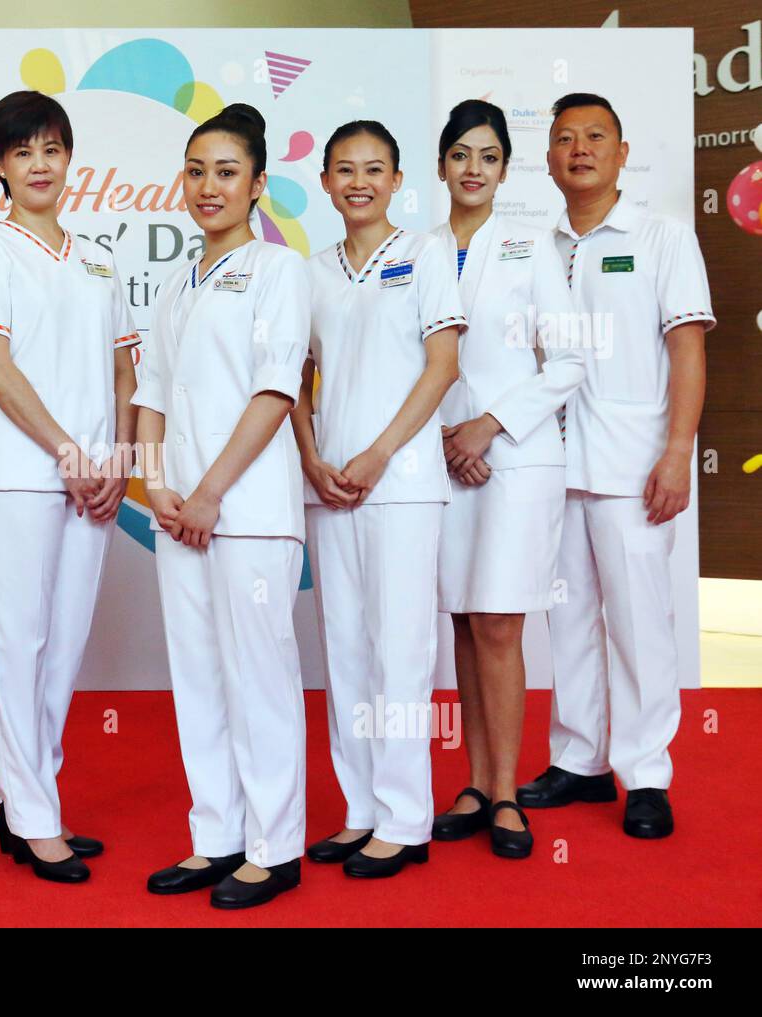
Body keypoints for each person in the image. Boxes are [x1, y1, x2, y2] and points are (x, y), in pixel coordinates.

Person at [0, 91, 139, 883]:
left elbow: (127, 370)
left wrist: (120, 460)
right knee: (19, 644)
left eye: (52, 149)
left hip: (94, 482)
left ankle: (31, 800)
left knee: (62, 650)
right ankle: (31, 817)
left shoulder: (98, 254)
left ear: (70, 159)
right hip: (20, 477)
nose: (39, 164)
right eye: (22, 150)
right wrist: (68, 451)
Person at [518, 93, 713, 840]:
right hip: (553, 463)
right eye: (565, 138)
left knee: (640, 623)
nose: (580, 149)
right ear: (549, 160)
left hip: (634, 465)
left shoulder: (662, 236)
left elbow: (687, 347)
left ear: (623, 152)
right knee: (565, 618)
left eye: (596, 136)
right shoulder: (541, 248)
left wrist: (676, 452)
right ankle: (580, 757)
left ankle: (648, 772)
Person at [136, 104, 310, 910]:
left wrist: (209, 492)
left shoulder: (279, 271)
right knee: (199, 677)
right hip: (179, 516)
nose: (209, 187)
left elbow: (276, 391)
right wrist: (154, 485)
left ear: (258, 184)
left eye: (227, 171)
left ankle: (275, 848)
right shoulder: (176, 281)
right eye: (197, 170)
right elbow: (151, 394)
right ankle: (218, 836)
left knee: (259, 676)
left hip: (248, 513)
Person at [293, 120, 464, 878]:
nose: (358, 181)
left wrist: (378, 452)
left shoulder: (427, 255)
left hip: (402, 485)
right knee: (347, 649)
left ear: (398, 180)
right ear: (325, 182)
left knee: (401, 652)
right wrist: (312, 454)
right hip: (330, 487)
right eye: (343, 170)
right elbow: (294, 378)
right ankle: (360, 809)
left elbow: (443, 366)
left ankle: (405, 817)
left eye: (374, 169)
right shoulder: (310, 271)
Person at [429, 101, 584, 859]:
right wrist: (447, 438)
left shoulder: (530, 247)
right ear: (440, 164)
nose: (472, 169)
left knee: (500, 621)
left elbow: (571, 361)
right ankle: (474, 778)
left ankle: (507, 791)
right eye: (460, 154)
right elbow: (412, 366)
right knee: (461, 615)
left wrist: (488, 424)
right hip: (439, 459)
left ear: (504, 168)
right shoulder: (417, 249)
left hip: (513, 458)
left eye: (487, 156)